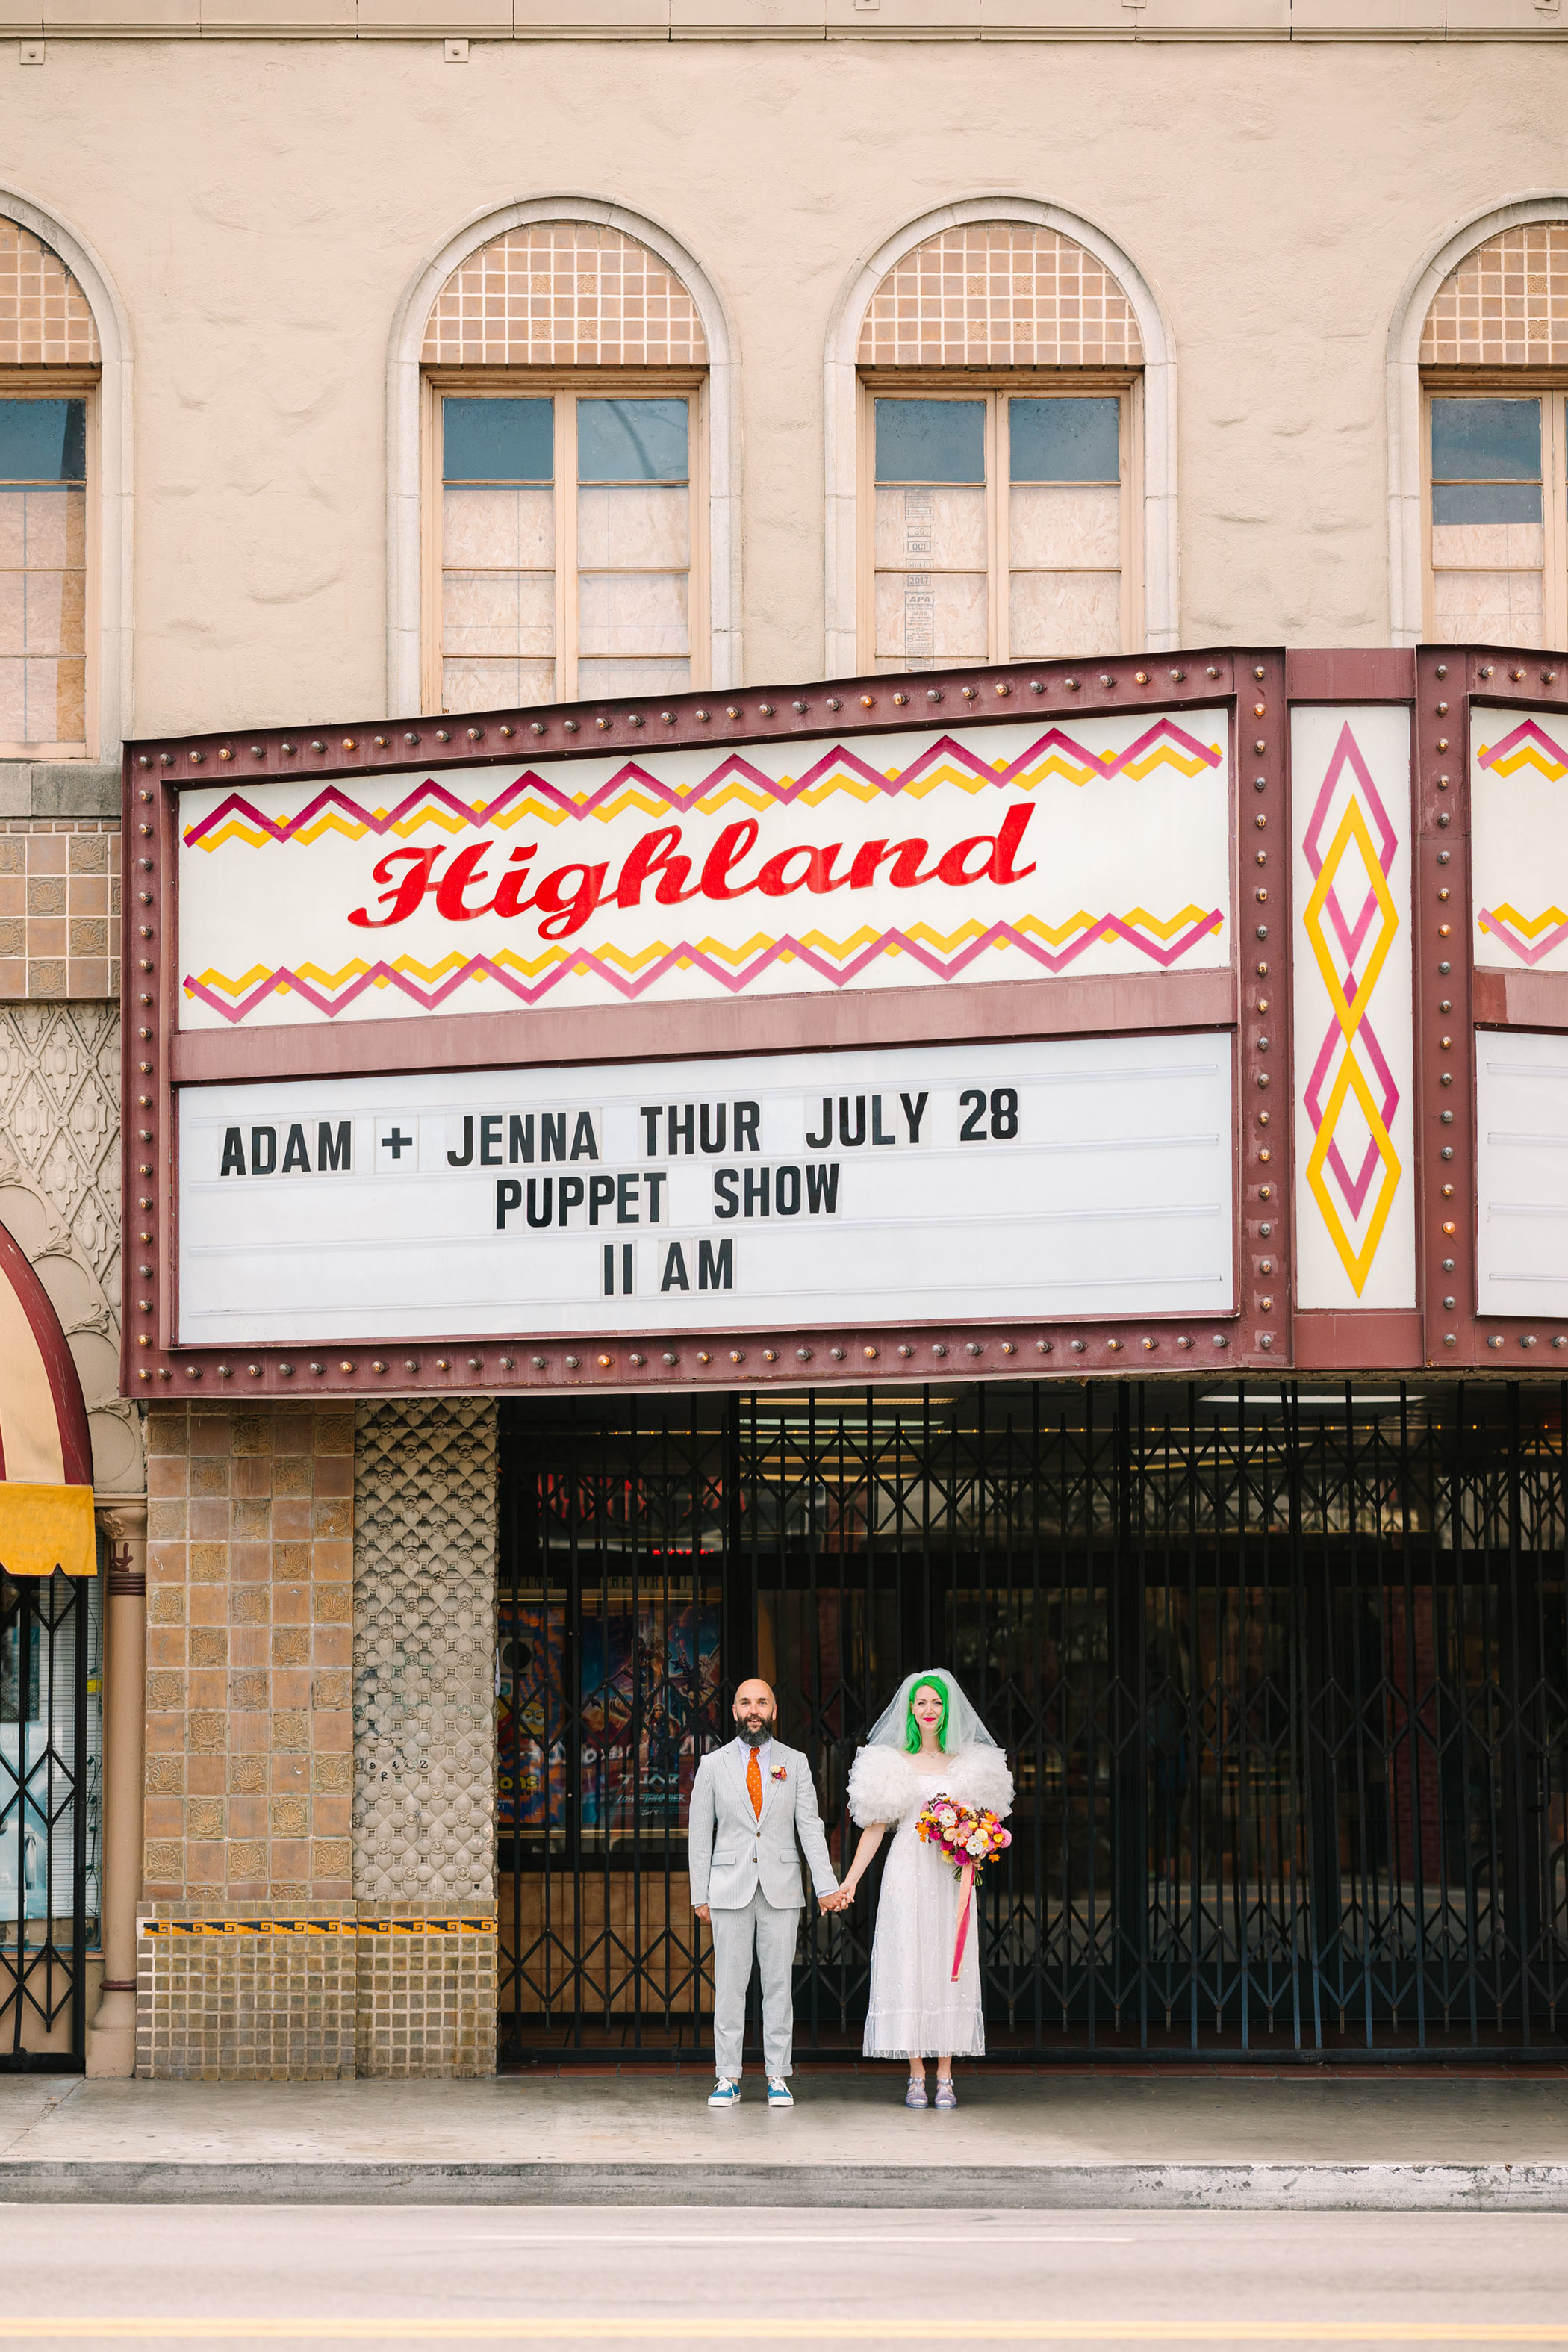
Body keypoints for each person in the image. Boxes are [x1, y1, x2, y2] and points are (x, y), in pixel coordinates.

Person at [835, 1670, 1012, 2107]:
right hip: (907, 1871)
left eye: (936, 1703)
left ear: (947, 1710)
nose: (929, 1710)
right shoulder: (892, 1761)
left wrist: (976, 1839)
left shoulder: (970, 1761)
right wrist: (851, 1879)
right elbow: (876, 1829)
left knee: (948, 1966)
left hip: (951, 1875)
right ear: (910, 1710)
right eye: (921, 1703)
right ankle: (916, 2074)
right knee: (909, 1961)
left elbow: (988, 1821)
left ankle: (946, 2074)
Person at [688, 1675, 841, 2109]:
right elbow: (700, 1834)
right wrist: (701, 1893)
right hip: (728, 1890)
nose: (753, 1710)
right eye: (745, 1703)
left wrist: (826, 1885)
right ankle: (727, 2077)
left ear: (773, 1711)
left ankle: (777, 2075)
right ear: (735, 1712)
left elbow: (810, 1827)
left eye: (762, 1702)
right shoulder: (712, 1765)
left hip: (781, 1889)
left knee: (778, 1986)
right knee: (731, 1987)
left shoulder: (795, 1763)